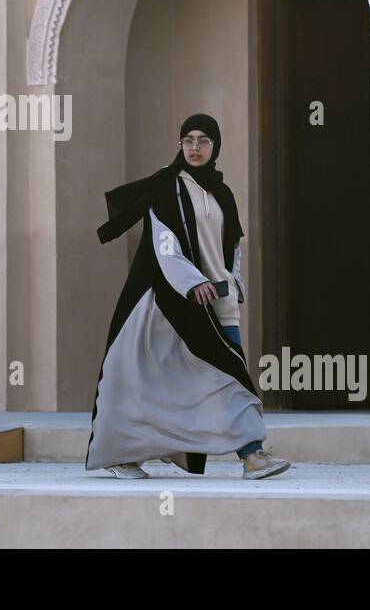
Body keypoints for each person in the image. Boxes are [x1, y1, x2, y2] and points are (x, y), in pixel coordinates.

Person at [87, 113, 291, 480]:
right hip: (178, 301)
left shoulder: (221, 192)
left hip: (221, 301)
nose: (195, 148)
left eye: (203, 140)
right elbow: (164, 243)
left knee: (222, 376)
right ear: (180, 144)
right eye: (188, 140)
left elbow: (233, 243)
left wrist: (236, 280)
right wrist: (193, 282)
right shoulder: (167, 187)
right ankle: (252, 455)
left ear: (215, 146)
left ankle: (240, 452)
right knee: (190, 376)